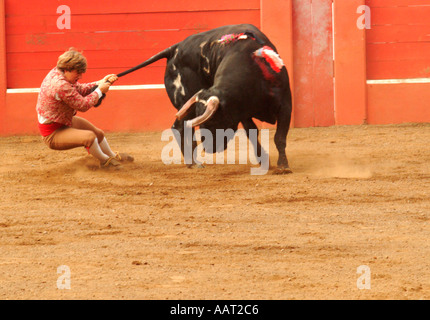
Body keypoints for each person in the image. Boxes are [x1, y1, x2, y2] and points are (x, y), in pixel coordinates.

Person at [36, 48, 133, 169]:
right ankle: (105, 161)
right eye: (78, 72)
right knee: (89, 138)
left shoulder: (60, 74)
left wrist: (101, 82)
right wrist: (99, 90)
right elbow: (82, 105)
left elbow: (79, 88)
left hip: (64, 121)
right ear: (67, 69)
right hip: (52, 133)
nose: (81, 76)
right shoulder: (60, 85)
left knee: (98, 134)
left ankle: (111, 155)